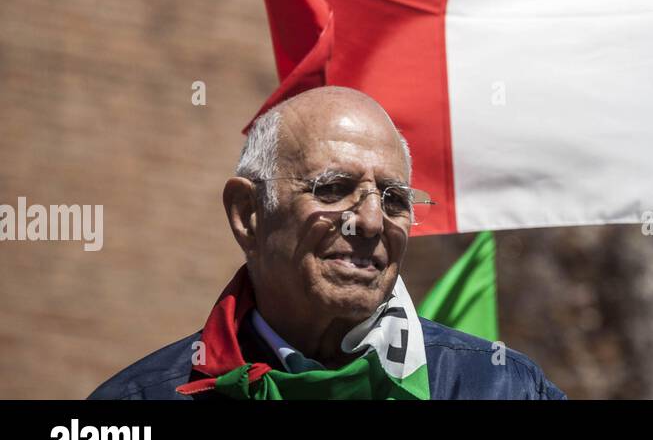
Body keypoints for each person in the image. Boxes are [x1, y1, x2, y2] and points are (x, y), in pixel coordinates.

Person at [89, 86, 565, 400]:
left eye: (395, 198)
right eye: (333, 188)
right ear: (247, 215)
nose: (372, 221)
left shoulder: (498, 387)